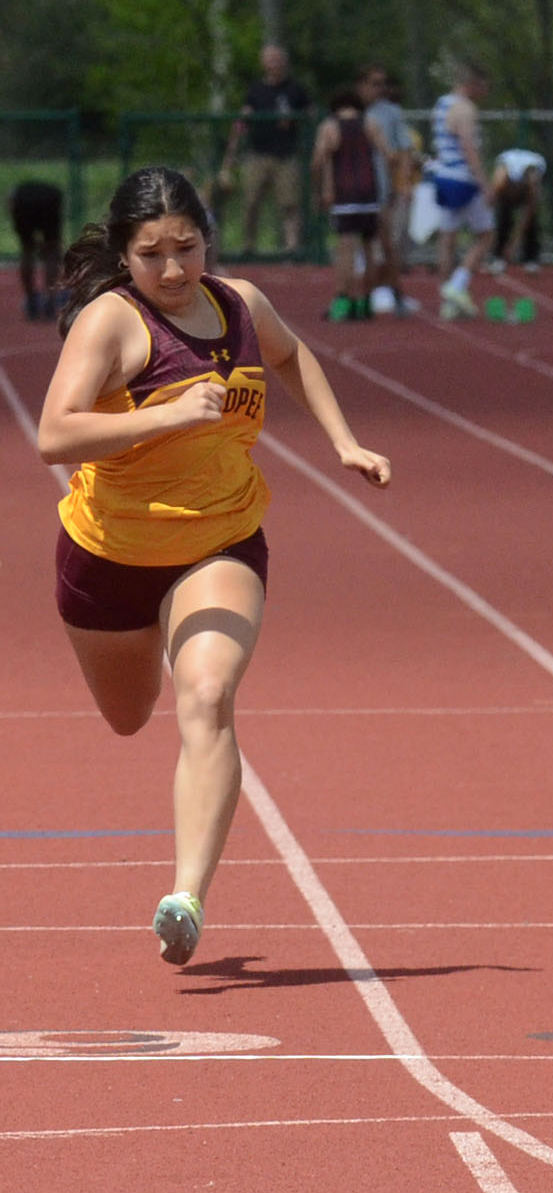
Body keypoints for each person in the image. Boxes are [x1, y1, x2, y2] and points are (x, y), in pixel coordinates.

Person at [34, 167, 391, 966]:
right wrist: (164, 415)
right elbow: (53, 436)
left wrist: (343, 441)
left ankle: (185, 896)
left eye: (187, 248)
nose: (172, 270)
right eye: (151, 254)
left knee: (209, 694)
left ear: (208, 240)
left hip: (219, 539)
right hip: (108, 553)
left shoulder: (240, 305)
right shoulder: (112, 323)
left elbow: (293, 358)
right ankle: (149, 649)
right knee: (130, 716)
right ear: (124, 256)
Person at [425, 60, 508, 322]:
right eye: (484, 85)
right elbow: (469, 149)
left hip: (444, 175)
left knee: (448, 238)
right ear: (473, 83)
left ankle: (448, 300)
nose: (486, 91)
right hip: (463, 179)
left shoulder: (442, 104)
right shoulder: (465, 109)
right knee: (485, 234)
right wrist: (485, 185)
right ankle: (457, 285)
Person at [218, 43, 311, 256]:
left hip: (286, 155)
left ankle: (292, 247)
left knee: (289, 203)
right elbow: (242, 121)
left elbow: (310, 116)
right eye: (269, 59)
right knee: (251, 202)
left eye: (277, 59)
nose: (273, 63)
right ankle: (248, 245)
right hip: (257, 154)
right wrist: (231, 154)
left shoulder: (296, 90)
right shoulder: (255, 91)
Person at [309, 88, 393, 322]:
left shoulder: (329, 127)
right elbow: (389, 154)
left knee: (345, 249)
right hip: (369, 193)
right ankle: (366, 302)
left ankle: (342, 301)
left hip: (344, 194)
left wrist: (321, 189)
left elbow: (318, 161)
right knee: (369, 249)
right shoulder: (370, 123)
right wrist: (390, 188)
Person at [358, 65, 415, 315]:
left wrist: (403, 184)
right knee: (360, 245)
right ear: (361, 85)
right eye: (374, 83)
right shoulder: (350, 112)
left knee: (387, 243)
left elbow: (403, 150)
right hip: (353, 188)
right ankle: (367, 295)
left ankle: (394, 291)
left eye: (383, 83)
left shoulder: (391, 113)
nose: (379, 89)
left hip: (380, 187)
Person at [11, 179, 64, 322]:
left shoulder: (17, 196)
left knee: (27, 249)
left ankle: (31, 299)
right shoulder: (53, 195)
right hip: (48, 200)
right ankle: (50, 301)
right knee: (52, 251)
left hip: (23, 201)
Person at [491, 145, 548, 278]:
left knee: (532, 223)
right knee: (503, 218)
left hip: (529, 179)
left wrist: (515, 242)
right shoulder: (500, 179)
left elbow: (527, 214)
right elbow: (490, 204)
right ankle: (498, 257)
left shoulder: (533, 180)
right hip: (507, 182)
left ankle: (531, 260)